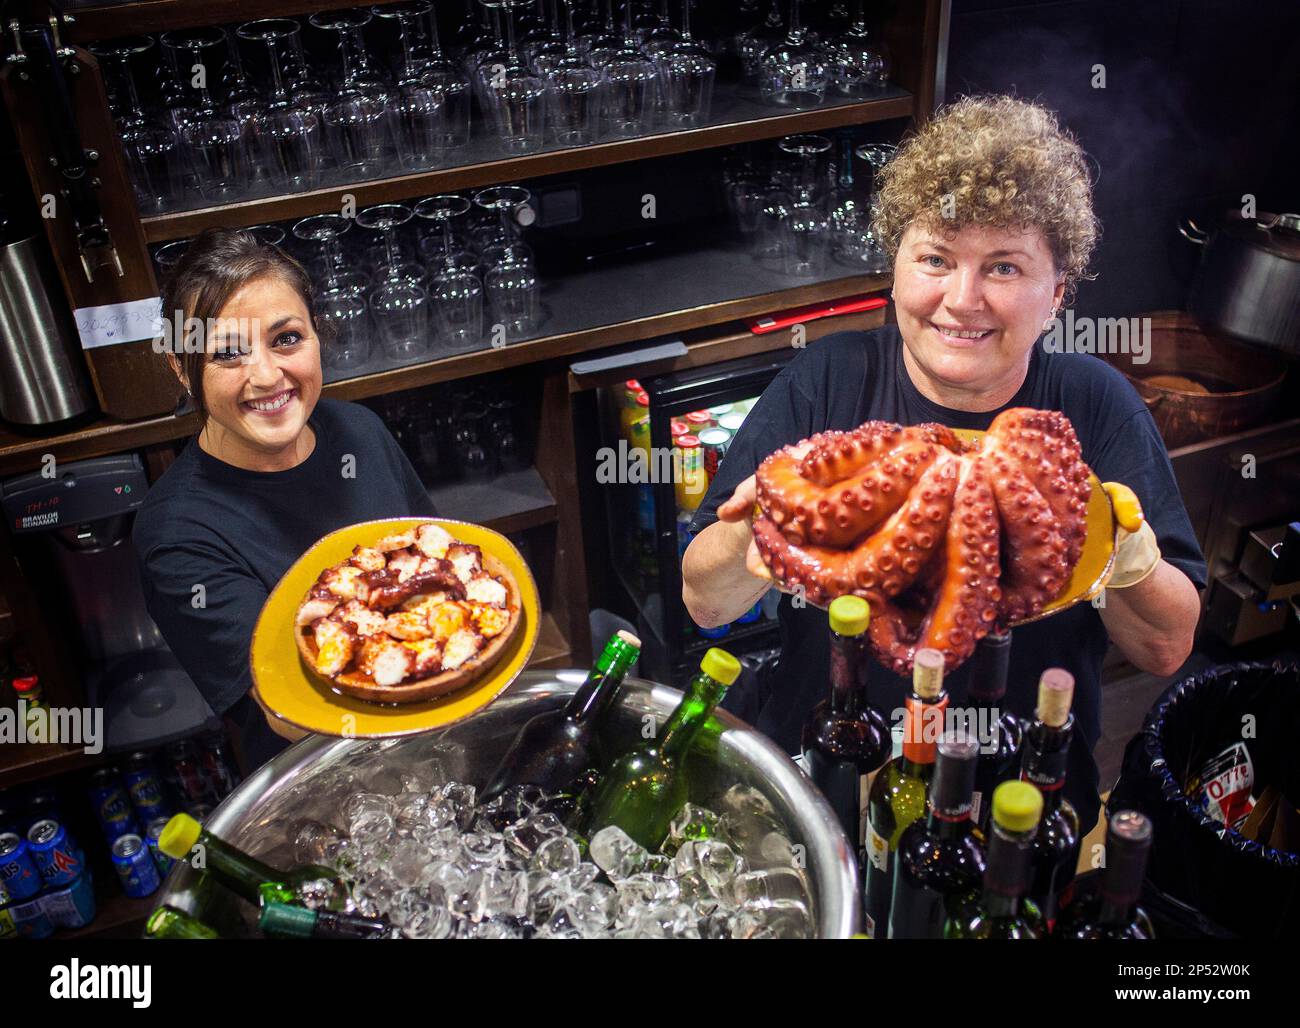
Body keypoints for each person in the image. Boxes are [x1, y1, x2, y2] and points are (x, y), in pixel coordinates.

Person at [682, 96, 1206, 837]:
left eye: (1003, 266)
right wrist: (757, 534)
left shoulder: (1093, 407)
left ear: (1057, 293)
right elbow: (706, 604)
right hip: (831, 761)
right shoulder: (827, 381)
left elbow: (1165, 646)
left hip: (1021, 781)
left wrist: (1127, 562)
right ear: (895, 270)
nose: (962, 301)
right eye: (934, 258)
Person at [134, 228, 437, 772]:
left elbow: (435, 556)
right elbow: (286, 712)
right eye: (227, 354)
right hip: (323, 774)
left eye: (287, 338)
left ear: (317, 335)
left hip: (431, 720)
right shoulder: (178, 532)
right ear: (182, 369)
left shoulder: (357, 429)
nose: (267, 375)